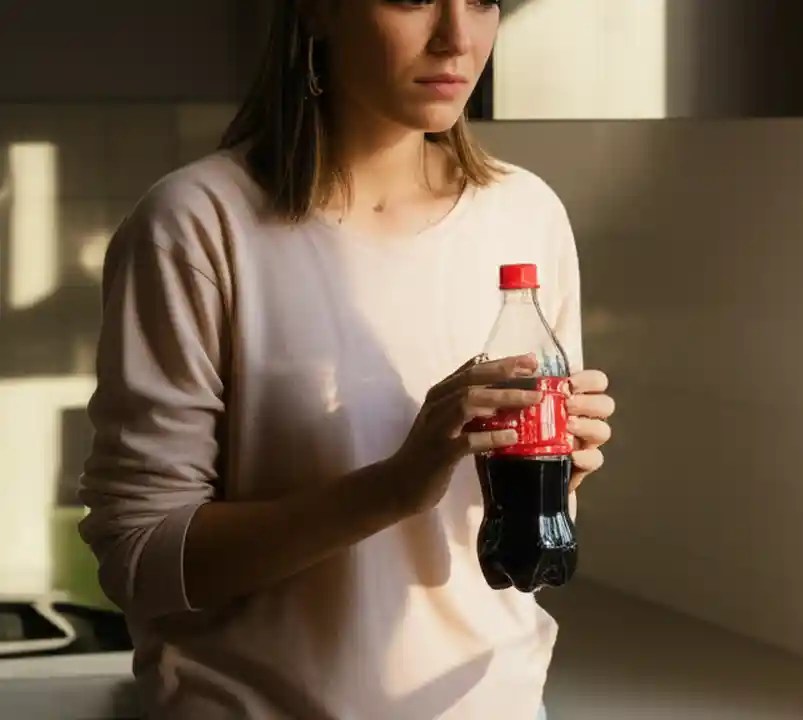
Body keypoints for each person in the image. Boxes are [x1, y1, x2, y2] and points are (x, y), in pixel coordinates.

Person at [77, 0, 615, 717]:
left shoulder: (525, 214)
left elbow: (505, 539)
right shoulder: (196, 227)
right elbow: (140, 558)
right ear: (320, 10)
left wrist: (557, 474)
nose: (458, 38)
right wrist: (394, 486)